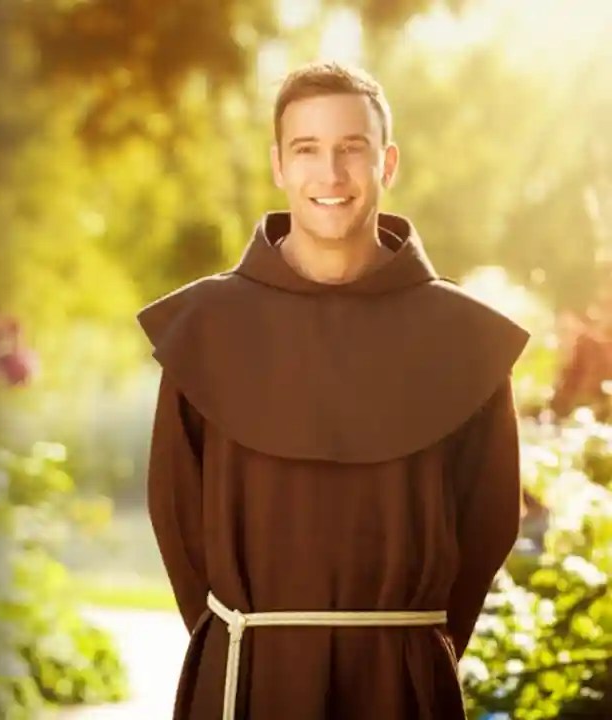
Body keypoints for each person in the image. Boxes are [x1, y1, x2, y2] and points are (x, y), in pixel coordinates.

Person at [137, 61, 528, 720]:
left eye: (352, 148)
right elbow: (177, 518)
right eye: (307, 149)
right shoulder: (206, 328)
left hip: (403, 683)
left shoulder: (464, 337)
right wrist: (249, 647)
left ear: (387, 163)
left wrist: (411, 653)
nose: (331, 174)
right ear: (278, 165)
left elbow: (488, 524)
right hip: (248, 675)